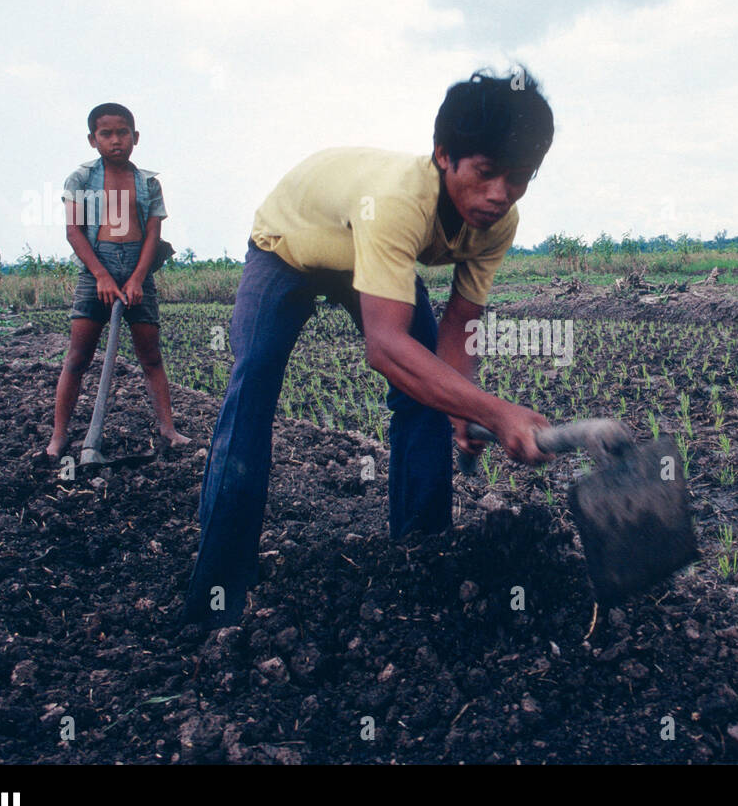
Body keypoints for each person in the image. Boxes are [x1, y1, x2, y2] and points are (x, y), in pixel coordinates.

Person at [181, 67, 556, 628]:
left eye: (519, 177)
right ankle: (217, 591)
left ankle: (421, 561)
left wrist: (461, 406)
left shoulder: (498, 223)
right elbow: (385, 347)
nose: (500, 193)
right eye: (485, 172)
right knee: (253, 385)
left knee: (427, 398)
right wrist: (497, 414)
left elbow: (461, 319)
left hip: (370, 257)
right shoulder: (400, 201)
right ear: (443, 155)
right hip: (292, 243)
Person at [45, 102, 190, 460]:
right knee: (78, 357)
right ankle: (59, 436)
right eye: (106, 134)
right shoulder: (80, 180)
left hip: (138, 270)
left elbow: (153, 233)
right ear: (92, 140)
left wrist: (139, 277)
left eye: (122, 133)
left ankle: (168, 430)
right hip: (97, 269)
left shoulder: (147, 183)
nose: (115, 140)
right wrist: (102, 276)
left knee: (151, 357)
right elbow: (74, 232)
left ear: (135, 137)